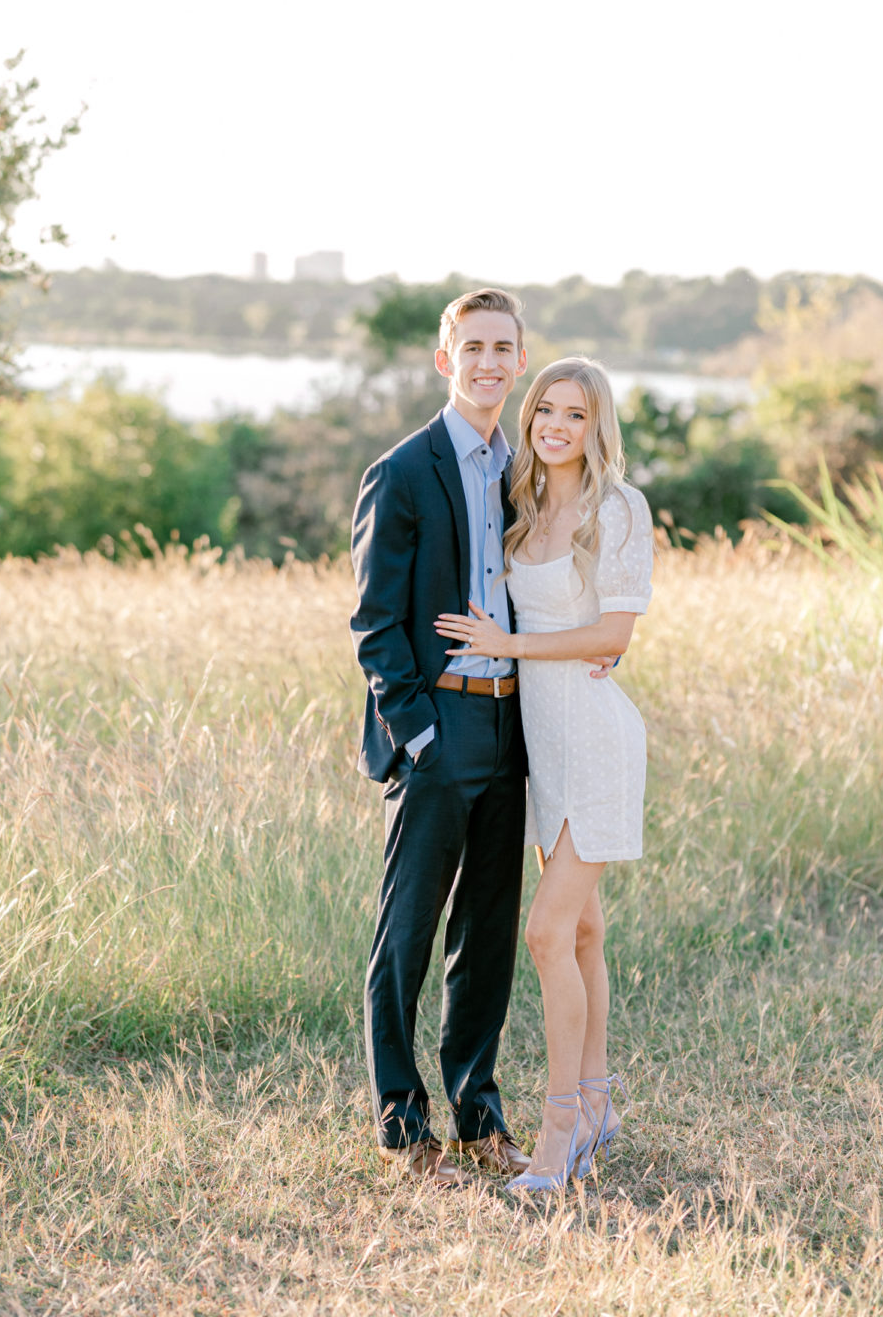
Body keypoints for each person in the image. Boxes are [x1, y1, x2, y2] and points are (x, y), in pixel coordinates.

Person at [435, 356, 654, 1192]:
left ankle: (560, 1129)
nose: (556, 427)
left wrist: (510, 645)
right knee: (586, 931)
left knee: (546, 932)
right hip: (541, 746)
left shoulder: (620, 510)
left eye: (575, 414)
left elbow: (614, 638)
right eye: (545, 412)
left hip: (596, 739)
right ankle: (598, 1100)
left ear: (598, 426)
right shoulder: (521, 505)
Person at [349, 287, 536, 1187]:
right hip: (437, 727)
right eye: (474, 348)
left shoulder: (527, 470)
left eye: (504, 347)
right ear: (445, 360)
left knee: (489, 929)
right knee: (409, 931)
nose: (489, 363)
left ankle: (478, 1112)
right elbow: (375, 624)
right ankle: (400, 1118)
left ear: (521, 359)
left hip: (511, 723)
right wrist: (417, 729)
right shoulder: (405, 470)